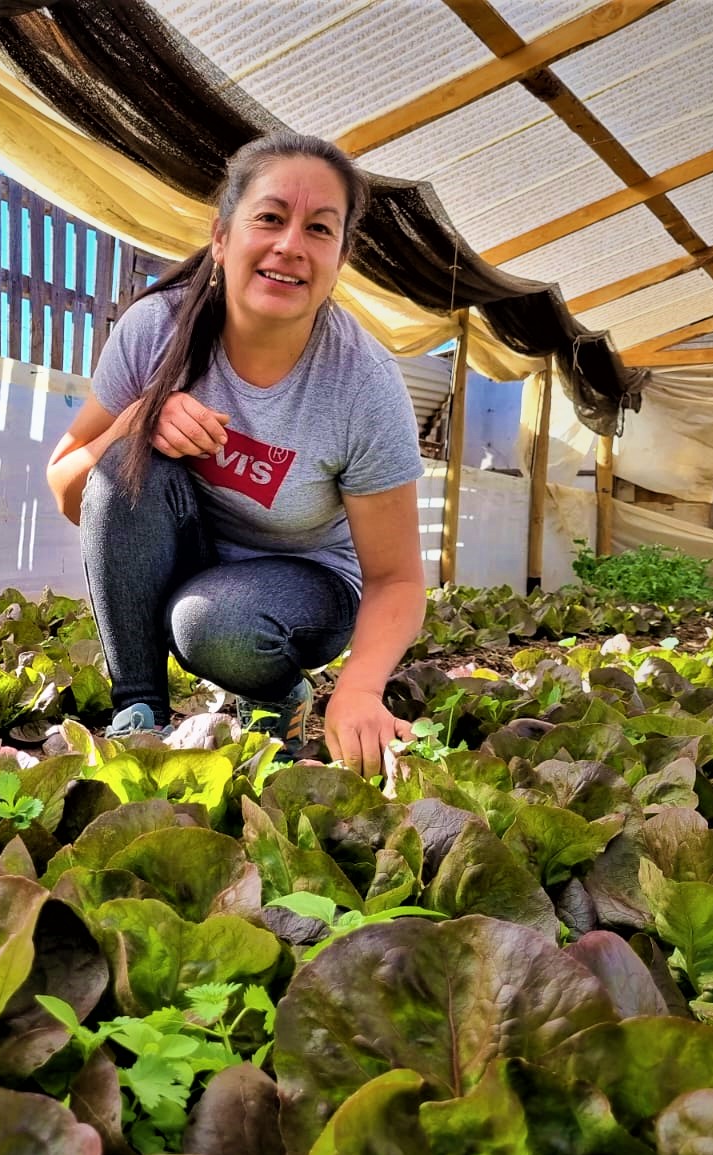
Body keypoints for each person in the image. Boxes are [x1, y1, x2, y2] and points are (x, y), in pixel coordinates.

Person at [44, 131, 427, 779]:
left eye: (319, 229)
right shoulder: (156, 331)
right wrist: (136, 422)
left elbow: (397, 577)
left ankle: (279, 694)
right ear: (222, 237)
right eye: (270, 218)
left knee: (210, 626)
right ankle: (138, 710)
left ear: (340, 257)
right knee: (125, 455)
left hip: (305, 584)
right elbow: (70, 487)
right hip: (188, 559)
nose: (290, 246)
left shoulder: (362, 384)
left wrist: (358, 690)